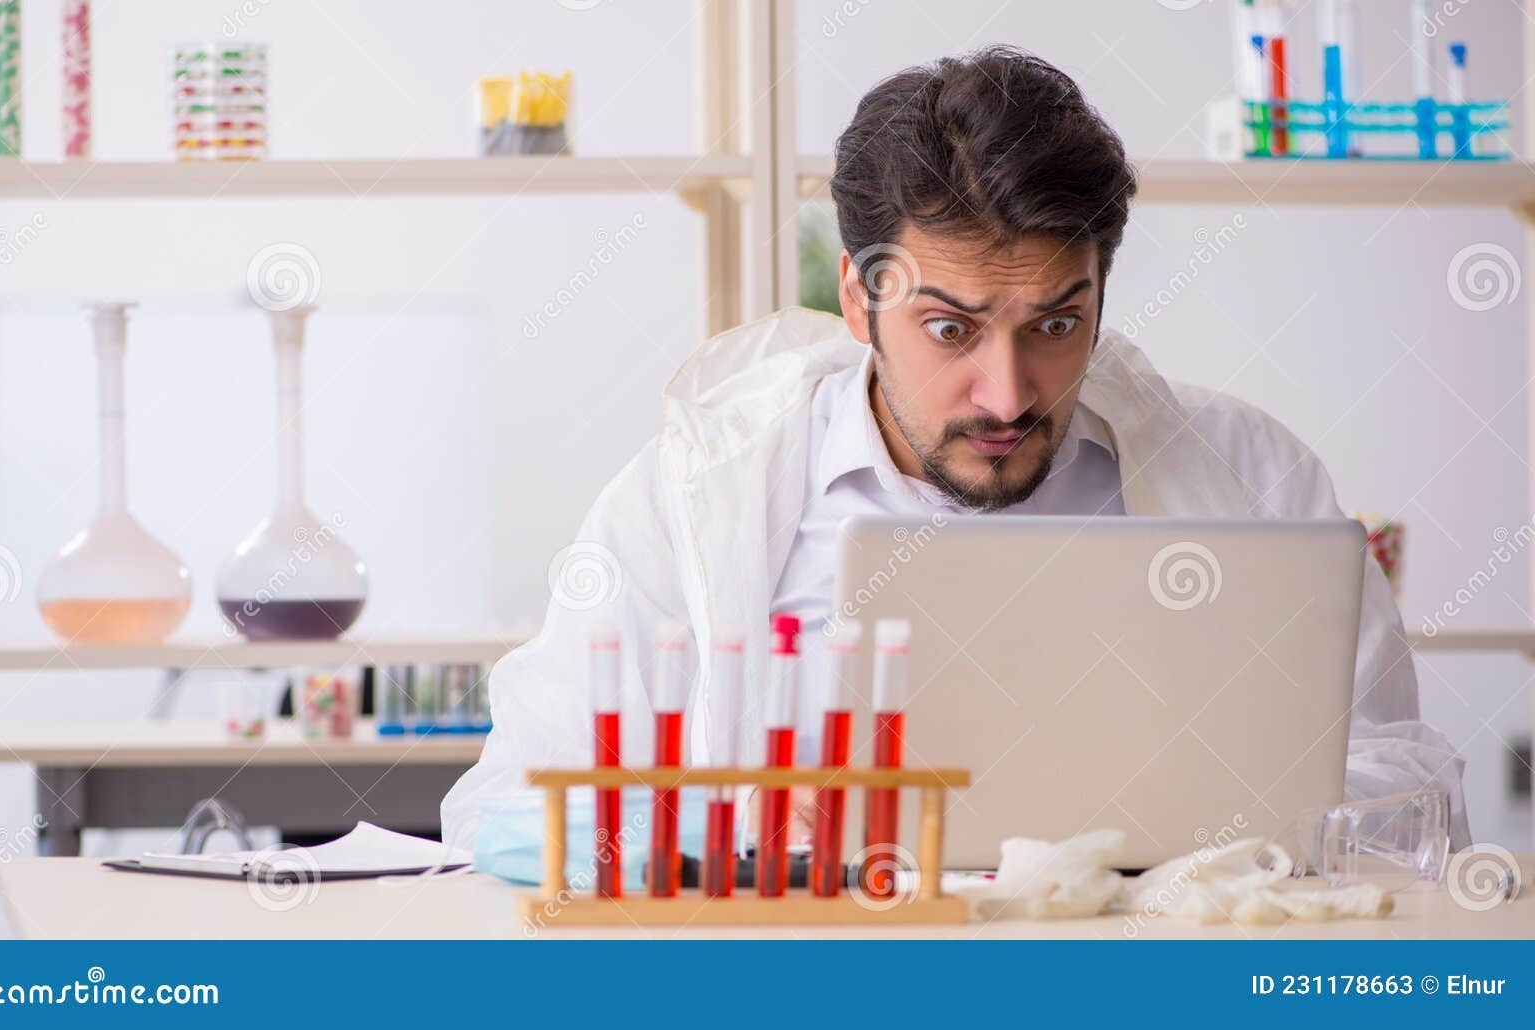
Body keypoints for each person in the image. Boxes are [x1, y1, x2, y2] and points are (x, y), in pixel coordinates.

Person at [443, 45, 1467, 851]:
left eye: (1055, 324)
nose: (1007, 391)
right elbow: (501, 809)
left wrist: (1184, 835)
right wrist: (735, 829)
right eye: (950, 330)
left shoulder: (1253, 475)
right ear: (855, 296)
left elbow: (1410, 783)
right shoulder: (692, 491)